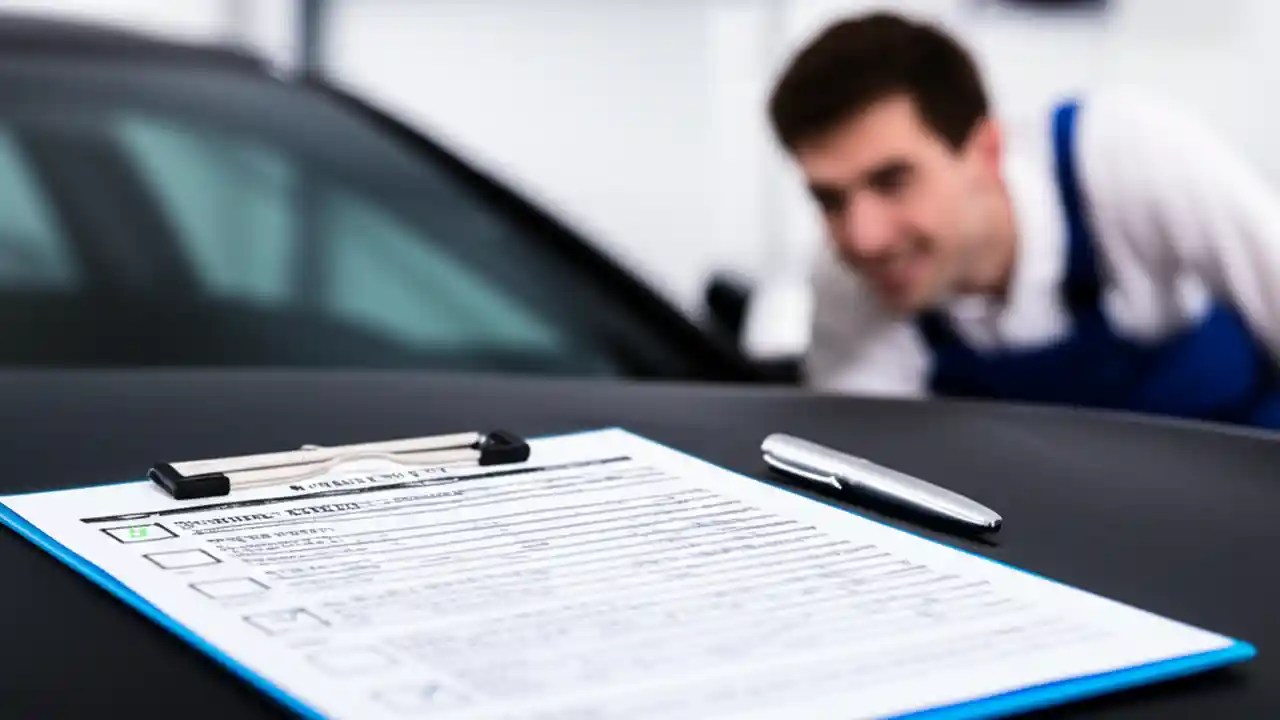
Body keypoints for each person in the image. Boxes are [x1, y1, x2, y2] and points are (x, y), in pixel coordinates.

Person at [769, 13, 1280, 428]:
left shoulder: (1125, 155)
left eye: (893, 181)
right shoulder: (847, 280)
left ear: (986, 152)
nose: (864, 237)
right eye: (829, 199)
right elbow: (867, 468)